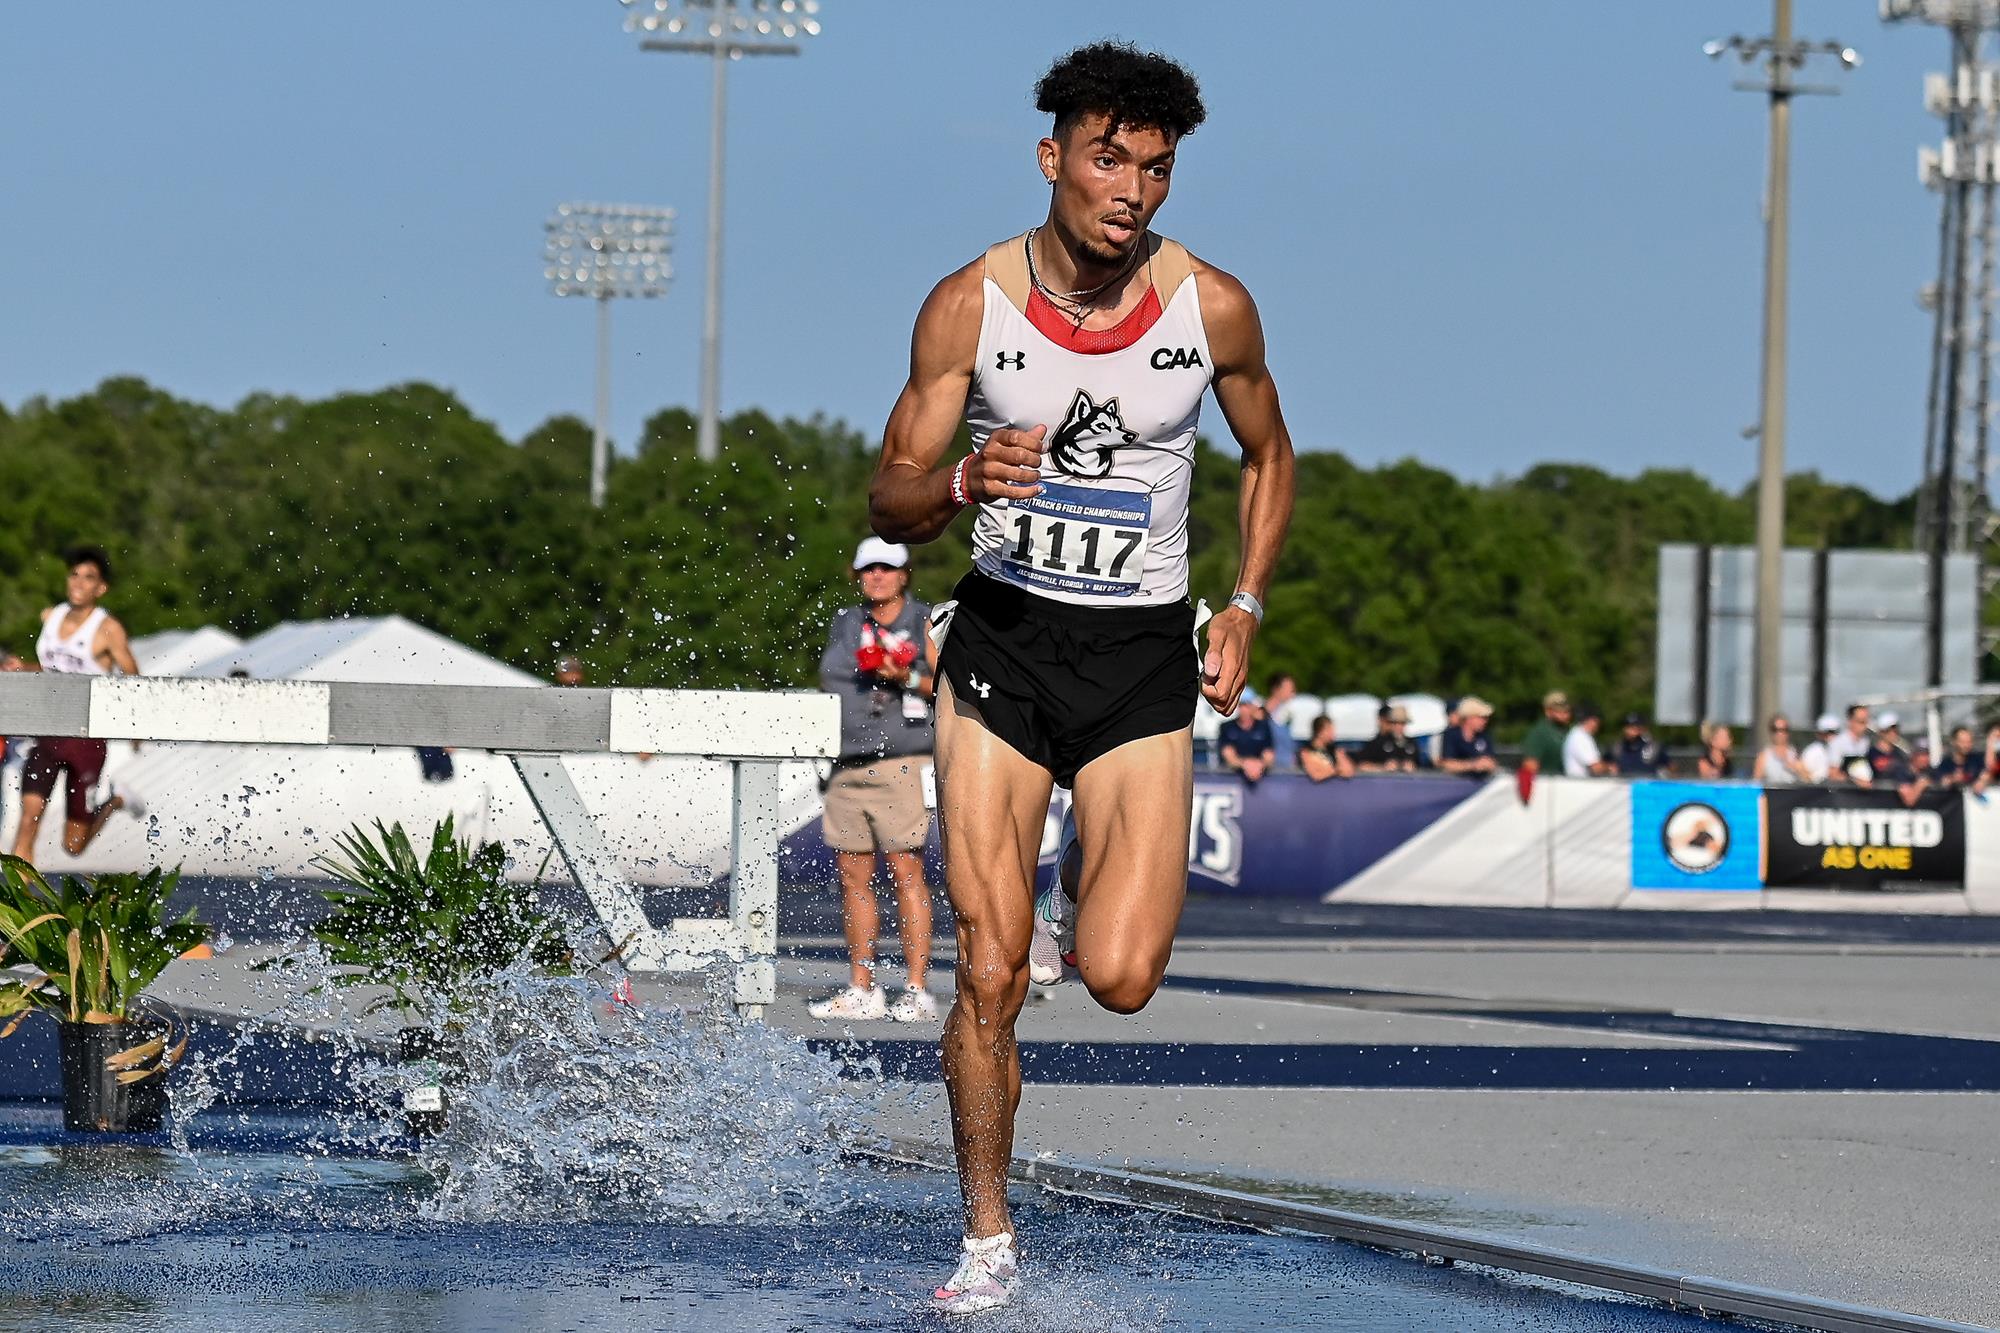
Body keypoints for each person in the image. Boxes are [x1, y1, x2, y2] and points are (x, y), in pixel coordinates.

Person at [865, 42, 1294, 1314]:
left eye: (1154, 170)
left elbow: (1269, 458)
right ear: (1052, 157)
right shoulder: (967, 304)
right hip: (1000, 645)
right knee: (989, 972)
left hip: (1138, 661)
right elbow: (889, 494)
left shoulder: (1210, 305)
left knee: (1117, 977)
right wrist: (954, 484)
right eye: (1107, 160)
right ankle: (987, 1241)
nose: (1130, 192)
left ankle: (1067, 881)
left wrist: (1248, 605)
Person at [807, 537, 941, 1025]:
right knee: (853, 879)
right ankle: (862, 987)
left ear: (905, 574)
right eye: (869, 569)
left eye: (887, 568)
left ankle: (917, 988)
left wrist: (902, 674)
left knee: (907, 873)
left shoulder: (925, 620)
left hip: (901, 762)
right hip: (847, 764)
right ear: (857, 573)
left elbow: (945, 683)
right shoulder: (846, 623)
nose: (877, 577)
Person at [10, 546, 145, 864]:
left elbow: (134, 679)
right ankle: (19, 907)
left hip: (87, 739)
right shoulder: (50, 616)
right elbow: (52, 669)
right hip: (49, 732)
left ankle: (115, 801)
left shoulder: (108, 629)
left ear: (101, 588)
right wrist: (23, 667)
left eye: (89, 578)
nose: (79, 583)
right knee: (28, 820)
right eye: (74, 575)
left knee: (73, 846)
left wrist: (136, 726)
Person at [1218, 688, 1276, 783]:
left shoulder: (1264, 727)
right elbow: (1228, 755)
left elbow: (1269, 754)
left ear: (1253, 707)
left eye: (1247, 705)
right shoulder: (1227, 727)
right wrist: (1245, 764)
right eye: (1241, 705)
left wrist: (1260, 764)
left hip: (1260, 778)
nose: (1244, 710)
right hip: (1231, 780)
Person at [1436, 696, 1497, 777]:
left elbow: (1491, 762)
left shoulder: (1484, 736)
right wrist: (1473, 765)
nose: (1485, 721)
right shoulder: (1451, 735)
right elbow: (1447, 764)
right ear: (1469, 718)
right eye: (1481, 717)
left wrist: (1488, 765)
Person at [1356, 704, 1424, 772]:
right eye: (1395, 723)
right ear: (1390, 723)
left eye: (1402, 723)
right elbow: (1361, 765)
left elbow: (1422, 768)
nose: (1398, 727)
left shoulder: (1412, 743)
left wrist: (1412, 767)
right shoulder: (1378, 742)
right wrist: (1383, 767)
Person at [1521, 691, 1572, 775]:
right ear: (1547, 711)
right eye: (1558, 710)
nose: (1564, 714)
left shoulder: (1570, 731)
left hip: (1570, 781)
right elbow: (1530, 765)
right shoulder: (1540, 732)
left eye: (1566, 710)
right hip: (1548, 782)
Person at [1751, 717, 1809, 785]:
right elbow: (1756, 783)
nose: (1780, 733)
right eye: (1775, 730)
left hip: (1793, 794)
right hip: (1772, 794)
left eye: (1784, 730)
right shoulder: (1764, 756)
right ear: (1771, 732)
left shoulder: (1796, 754)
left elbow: (1808, 780)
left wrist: (1797, 769)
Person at [1826, 704, 1874, 785]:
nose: (1865, 726)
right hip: (1844, 793)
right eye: (1861, 721)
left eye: (1866, 721)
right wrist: (1856, 782)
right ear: (1850, 721)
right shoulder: (1838, 743)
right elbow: (1833, 774)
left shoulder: (1867, 742)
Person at [1262, 673, 1300, 772]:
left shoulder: (1285, 713)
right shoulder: (1262, 715)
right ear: (1276, 689)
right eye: (1290, 689)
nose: (1293, 693)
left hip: (1288, 769)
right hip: (1271, 771)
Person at [1562, 705, 1612, 777]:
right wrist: (1610, 768)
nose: (1598, 724)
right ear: (1591, 720)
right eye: (1597, 720)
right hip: (1581, 785)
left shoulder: (1577, 734)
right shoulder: (1581, 738)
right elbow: (1596, 768)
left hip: (1578, 783)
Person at [1300, 714, 1353, 782]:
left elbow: (1348, 772)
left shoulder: (1335, 750)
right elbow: (1317, 775)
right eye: (1329, 730)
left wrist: (1331, 769)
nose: (1333, 734)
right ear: (1319, 732)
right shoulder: (1306, 751)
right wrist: (1337, 770)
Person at [1799, 713, 1840, 783]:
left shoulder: (1839, 749)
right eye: (1827, 732)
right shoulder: (1812, 751)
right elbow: (1804, 775)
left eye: (1833, 732)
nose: (1830, 736)